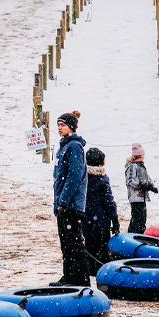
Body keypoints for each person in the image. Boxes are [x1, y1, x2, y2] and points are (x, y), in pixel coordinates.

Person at [52, 111, 89, 286]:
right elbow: (59, 177)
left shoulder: (74, 146)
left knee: (74, 244)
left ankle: (80, 280)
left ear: (71, 127)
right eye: (58, 125)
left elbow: (74, 176)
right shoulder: (63, 147)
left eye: (63, 125)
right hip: (63, 204)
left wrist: (64, 201)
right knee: (66, 244)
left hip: (71, 205)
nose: (59, 128)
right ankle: (68, 276)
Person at [82, 147, 119, 274]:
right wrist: (114, 218)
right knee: (102, 248)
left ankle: (90, 268)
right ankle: (100, 270)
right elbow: (109, 202)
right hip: (100, 220)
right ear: (100, 163)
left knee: (89, 245)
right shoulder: (102, 179)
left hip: (86, 218)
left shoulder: (82, 178)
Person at [125, 143, 156, 234]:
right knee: (137, 217)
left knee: (143, 217)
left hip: (142, 196)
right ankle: (133, 233)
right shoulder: (132, 166)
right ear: (140, 155)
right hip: (135, 196)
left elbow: (146, 177)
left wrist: (151, 186)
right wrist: (140, 186)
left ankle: (141, 233)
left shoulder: (141, 166)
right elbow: (130, 181)